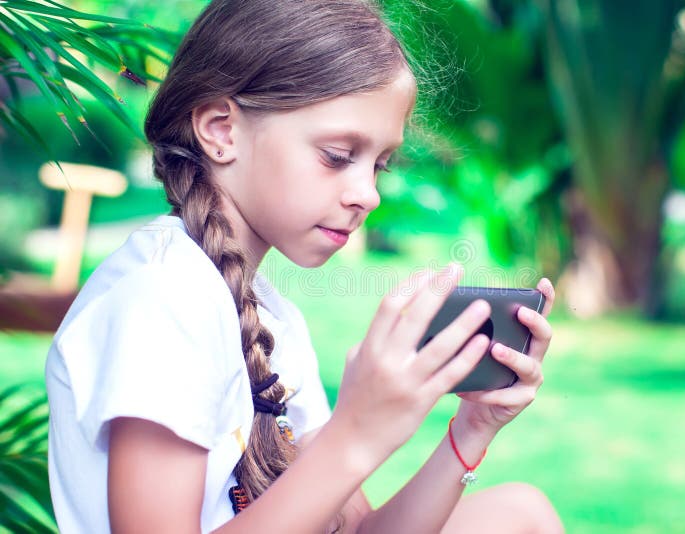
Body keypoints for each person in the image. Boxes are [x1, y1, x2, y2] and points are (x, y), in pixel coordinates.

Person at [45, 0, 563, 532]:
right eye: (337, 155)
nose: (368, 195)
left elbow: (359, 531)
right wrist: (356, 434)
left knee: (520, 511)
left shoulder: (271, 318)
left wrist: (472, 428)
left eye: (381, 165)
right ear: (221, 130)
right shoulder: (160, 297)